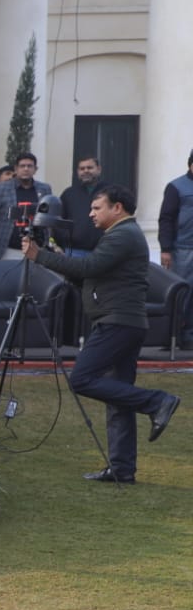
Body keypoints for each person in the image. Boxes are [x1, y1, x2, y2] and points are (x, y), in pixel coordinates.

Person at [23, 185, 179, 483]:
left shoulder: (124, 234)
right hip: (122, 321)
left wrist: (39, 256)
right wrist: (58, 261)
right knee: (119, 395)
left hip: (118, 322)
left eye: (97, 208)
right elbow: (92, 275)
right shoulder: (119, 236)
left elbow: (90, 266)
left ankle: (157, 402)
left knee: (81, 379)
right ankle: (122, 469)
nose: (91, 214)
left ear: (117, 208)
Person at [0, 152, 52, 258]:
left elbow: (47, 216)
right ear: (16, 169)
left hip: (36, 248)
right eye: (22, 166)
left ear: (35, 169)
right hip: (7, 249)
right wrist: (0, 234)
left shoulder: (44, 189)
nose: (26, 169)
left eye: (29, 166)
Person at [158, 149, 193, 351]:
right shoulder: (176, 187)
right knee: (183, 294)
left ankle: (189, 336)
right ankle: (173, 336)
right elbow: (166, 219)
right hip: (183, 249)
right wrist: (166, 249)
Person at [59, 156, 105, 256]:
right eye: (82, 168)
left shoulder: (110, 192)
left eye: (89, 168)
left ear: (99, 169)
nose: (85, 171)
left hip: (103, 251)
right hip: (73, 251)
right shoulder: (68, 194)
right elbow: (59, 221)